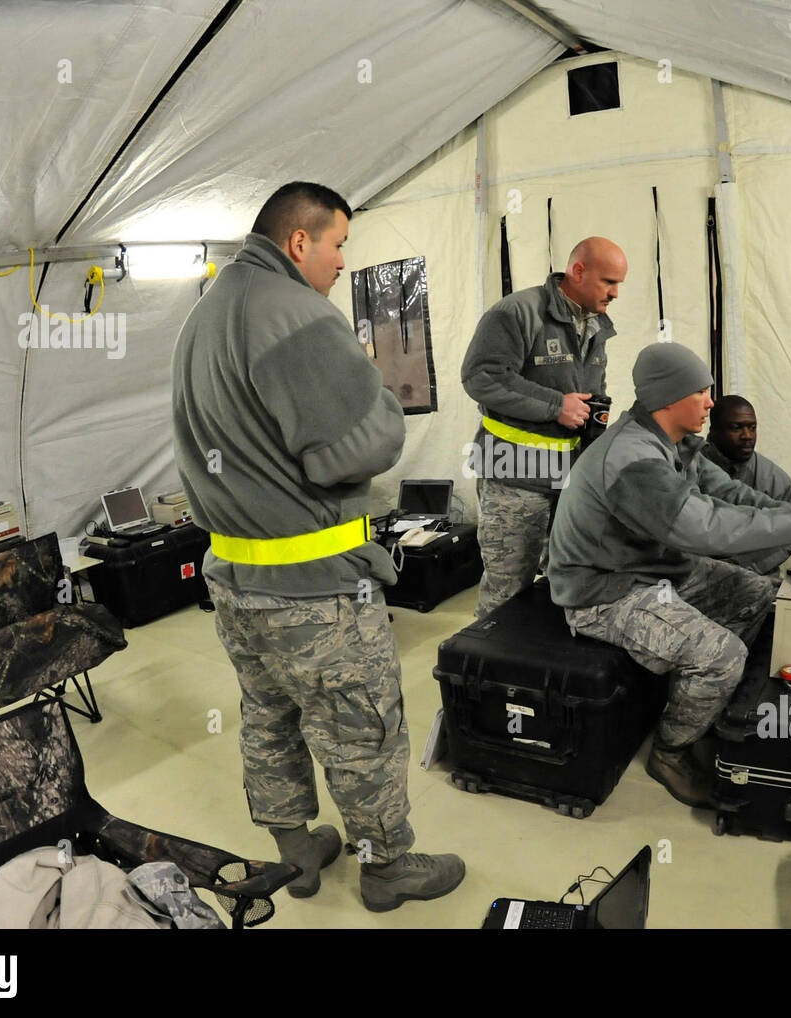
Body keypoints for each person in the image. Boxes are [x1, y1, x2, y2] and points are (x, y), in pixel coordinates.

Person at [170, 181, 464, 912]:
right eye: (338, 246)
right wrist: (377, 396)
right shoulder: (297, 315)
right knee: (362, 725)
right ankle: (387, 865)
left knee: (269, 714)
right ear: (299, 242)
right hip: (312, 589)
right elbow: (357, 447)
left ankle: (296, 849)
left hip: (237, 578)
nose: (341, 263)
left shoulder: (205, 314)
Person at [546, 343, 791, 806]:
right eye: (701, 392)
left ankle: (701, 698)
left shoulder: (671, 441)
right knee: (722, 656)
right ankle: (671, 751)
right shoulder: (635, 459)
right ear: (669, 398)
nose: (711, 402)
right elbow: (704, 527)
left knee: (759, 592)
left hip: (652, 568)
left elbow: (729, 494)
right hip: (604, 591)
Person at [461, 237, 628, 618]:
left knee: (562, 582)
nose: (616, 293)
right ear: (578, 271)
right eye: (609, 282)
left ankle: (542, 672)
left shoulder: (596, 323)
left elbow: (585, 396)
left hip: (567, 481)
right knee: (507, 588)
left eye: (619, 283)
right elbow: (480, 377)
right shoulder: (517, 312)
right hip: (513, 478)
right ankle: (490, 671)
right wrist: (556, 406)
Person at [701, 395, 791, 577]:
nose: (747, 436)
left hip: (755, 576)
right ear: (713, 431)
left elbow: (785, 539)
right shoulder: (688, 467)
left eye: (752, 428)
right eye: (736, 428)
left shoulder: (776, 480)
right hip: (694, 573)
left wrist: (734, 569)